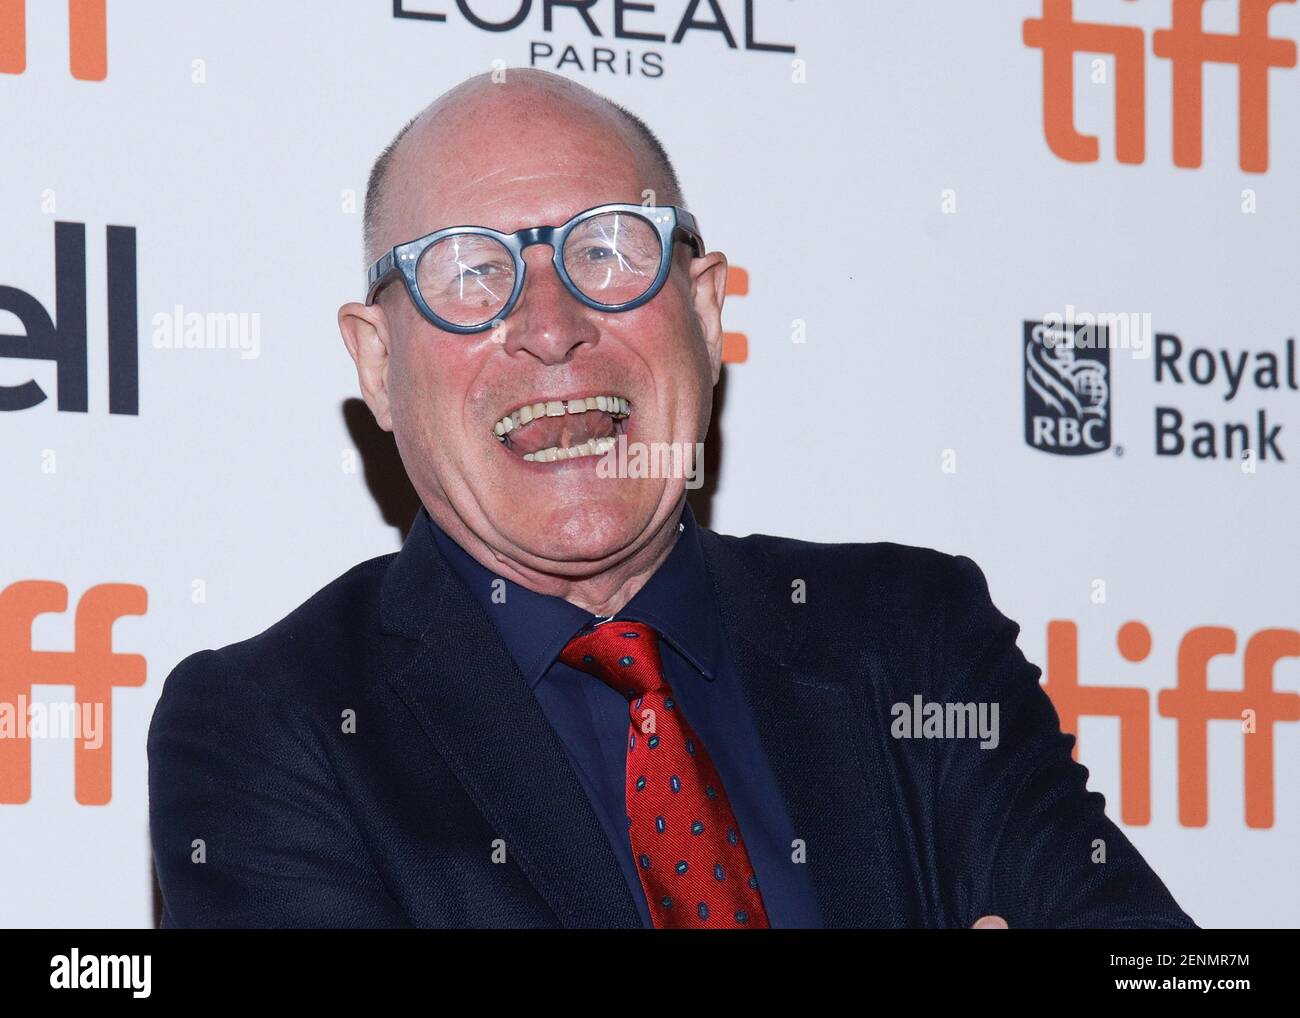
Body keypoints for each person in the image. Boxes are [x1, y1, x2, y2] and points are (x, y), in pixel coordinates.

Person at [147, 68, 1196, 929]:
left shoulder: (910, 633)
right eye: (468, 274)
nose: (550, 324)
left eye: (608, 251)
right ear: (378, 366)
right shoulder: (268, 729)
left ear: (705, 312)